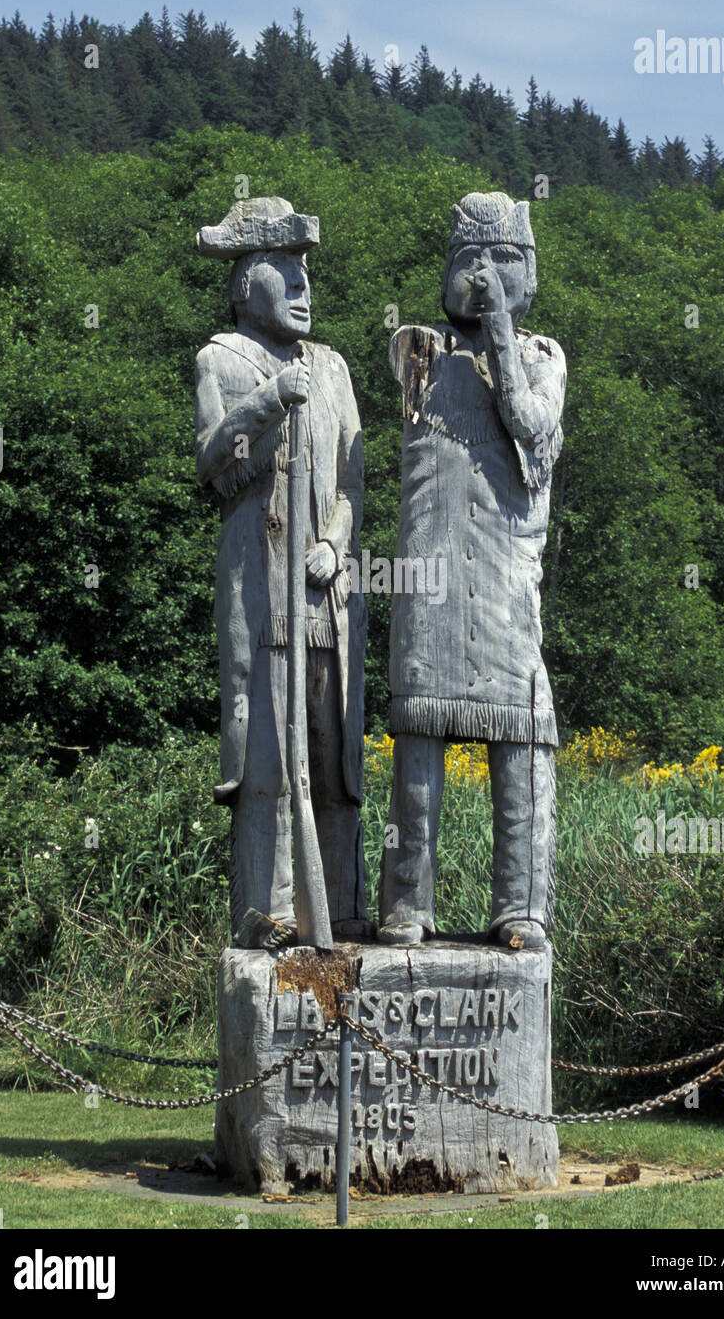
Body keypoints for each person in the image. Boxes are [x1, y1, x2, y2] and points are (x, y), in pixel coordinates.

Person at [378, 191, 566, 950]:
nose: (484, 275)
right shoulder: (417, 350)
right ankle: (405, 901)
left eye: (503, 260)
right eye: (468, 261)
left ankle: (521, 906)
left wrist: (498, 331)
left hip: (506, 583)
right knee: (419, 730)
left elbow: (529, 427)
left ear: (530, 274)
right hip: (428, 574)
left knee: (521, 736)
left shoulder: (540, 356)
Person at [194, 197, 368, 945]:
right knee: (267, 755)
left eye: (305, 269)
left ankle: (342, 907)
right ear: (244, 282)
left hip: (326, 595)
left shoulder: (331, 366)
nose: (302, 285)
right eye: (283, 270)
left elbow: (352, 480)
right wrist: (267, 400)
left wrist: (335, 539)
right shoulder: (220, 358)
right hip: (258, 588)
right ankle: (268, 910)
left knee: (333, 759)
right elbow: (213, 467)